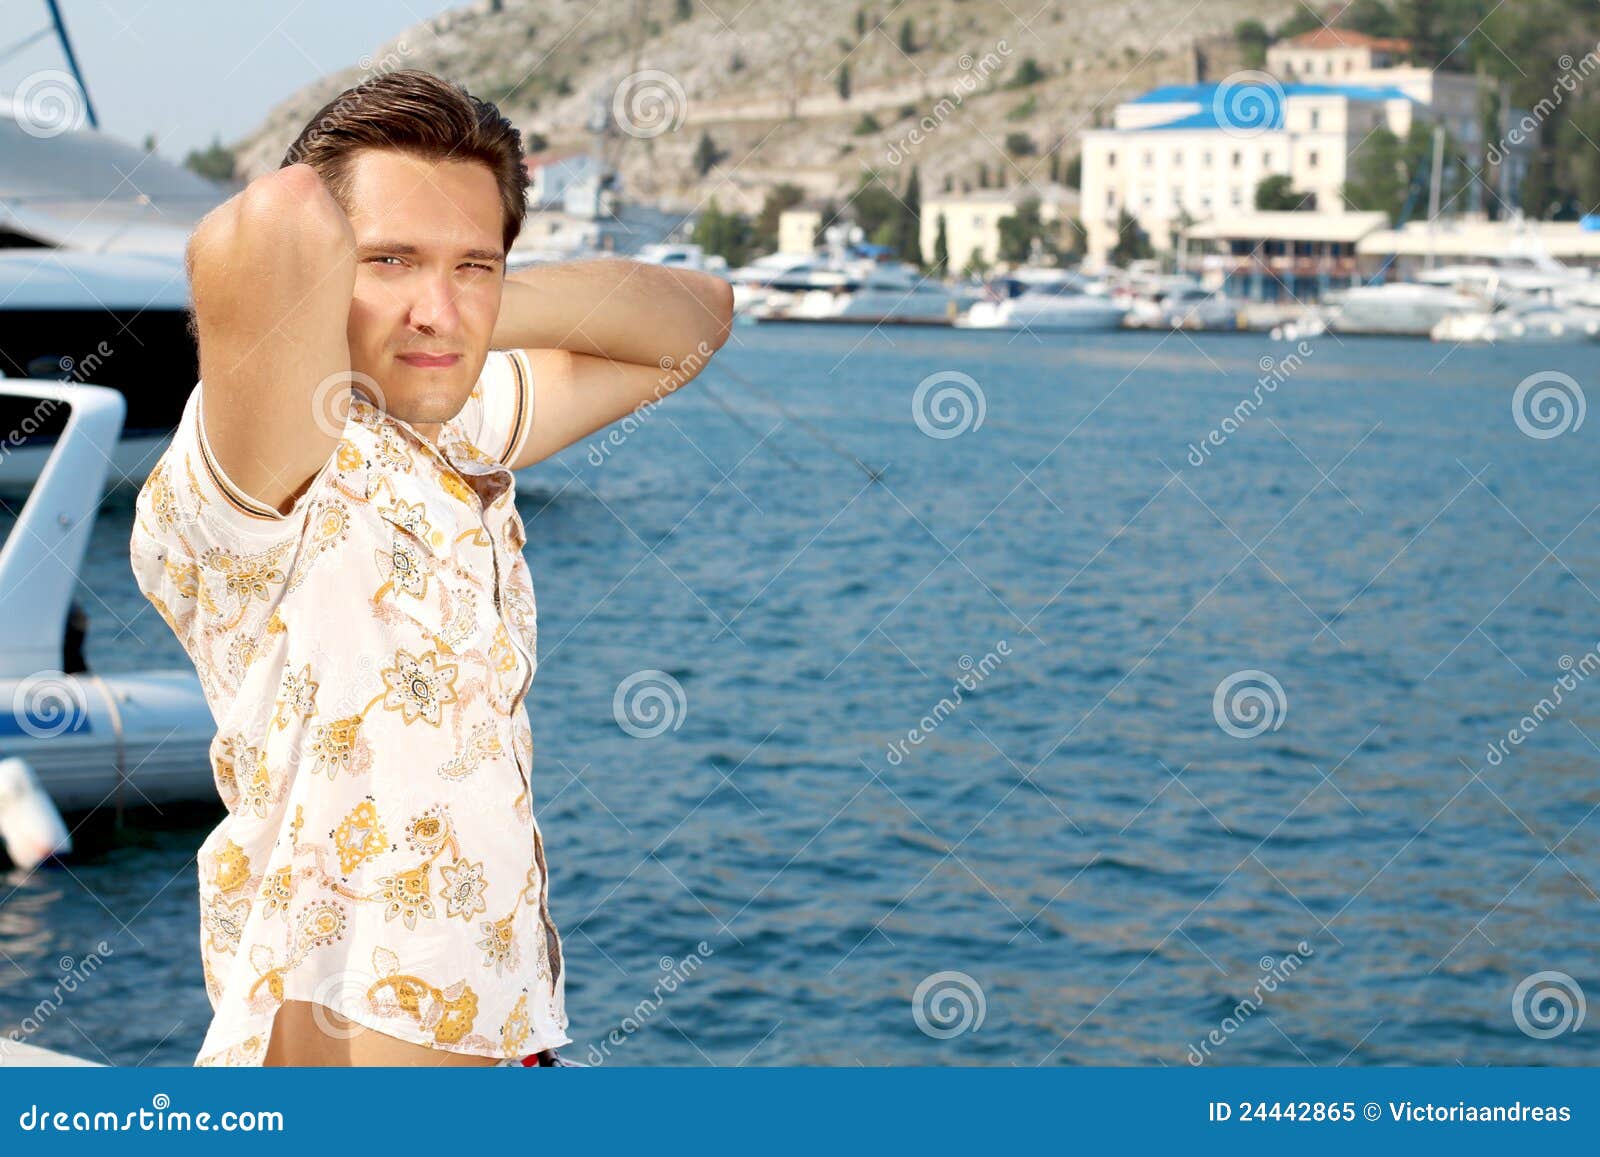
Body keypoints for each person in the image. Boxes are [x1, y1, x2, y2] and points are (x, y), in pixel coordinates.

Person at [128, 69, 733, 1066]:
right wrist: (410, 276)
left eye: (472, 264)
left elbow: (696, 318)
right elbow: (268, 223)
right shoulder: (255, 466)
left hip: (512, 1049)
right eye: (388, 257)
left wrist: (464, 298)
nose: (434, 310)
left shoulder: (452, 423)